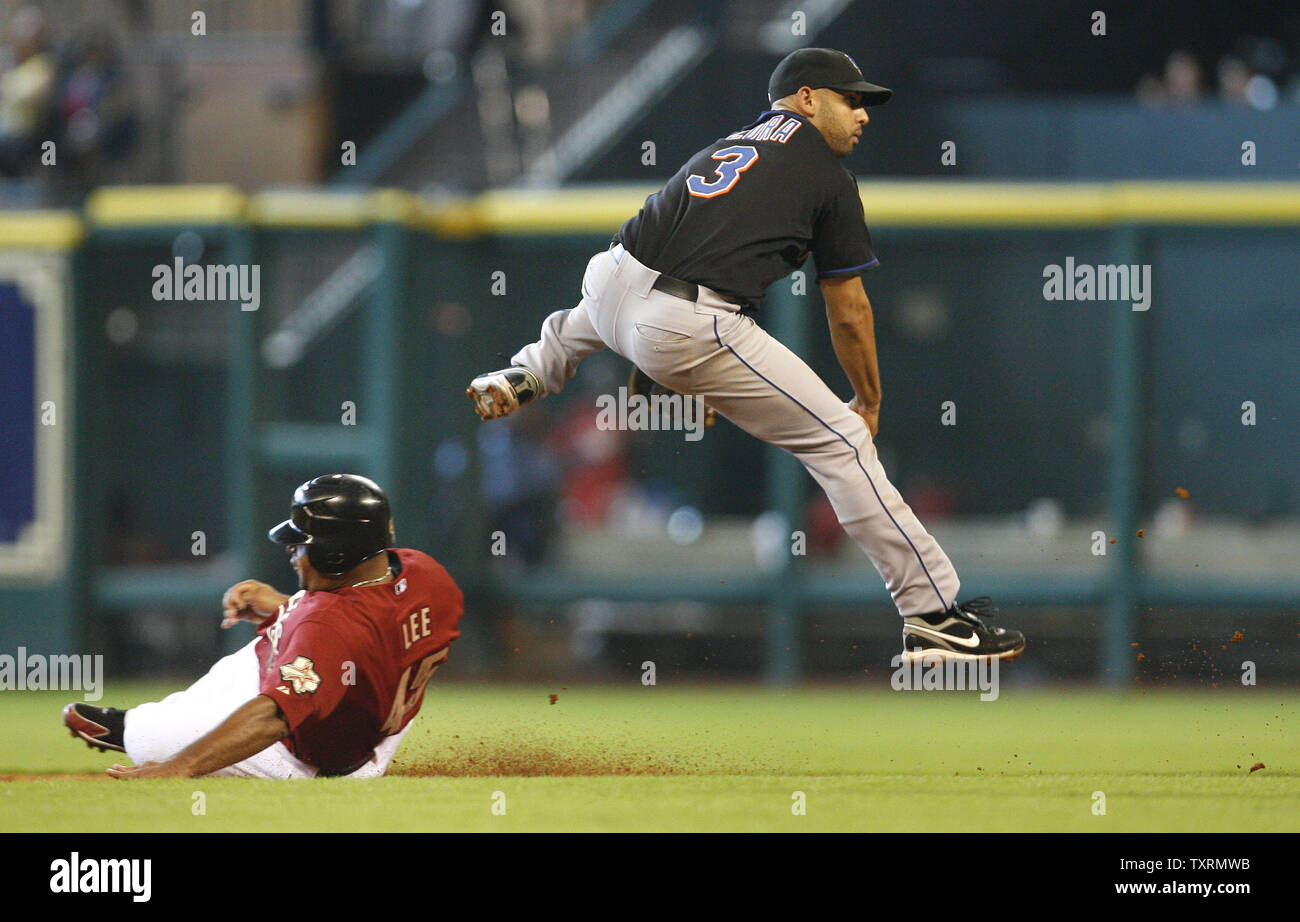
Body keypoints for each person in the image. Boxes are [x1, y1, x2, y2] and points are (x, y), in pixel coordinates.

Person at [466, 48, 1024, 662]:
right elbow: (849, 310)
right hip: (682, 320)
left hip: (610, 282)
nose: (863, 115)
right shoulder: (825, 173)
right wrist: (866, 398)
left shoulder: (734, 144)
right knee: (841, 442)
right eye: (851, 99)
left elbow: (668, 260)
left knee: (599, 317)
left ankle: (532, 367)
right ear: (808, 98)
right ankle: (934, 615)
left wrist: (662, 369)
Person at [63, 474, 464, 779]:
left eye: (301, 543)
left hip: (311, 757)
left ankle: (132, 728)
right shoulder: (427, 575)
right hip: (374, 716)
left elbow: (274, 717)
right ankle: (168, 716)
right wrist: (286, 611)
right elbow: (371, 637)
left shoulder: (326, 625)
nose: (292, 551)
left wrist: (178, 768)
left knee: (151, 739)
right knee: (246, 662)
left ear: (335, 553)